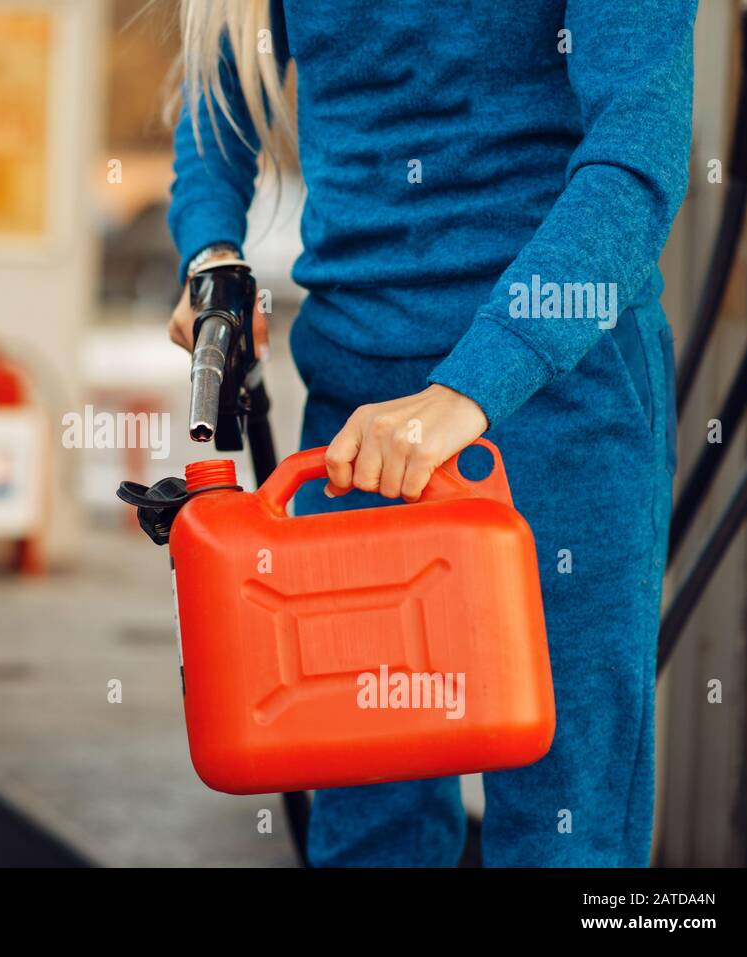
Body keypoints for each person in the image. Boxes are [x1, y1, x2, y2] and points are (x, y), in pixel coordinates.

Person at [165, 0, 694, 866]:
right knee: (370, 823)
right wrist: (209, 251)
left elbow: (634, 166)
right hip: (351, 416)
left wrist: (468, 388)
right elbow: (215, 96)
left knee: (565, 829)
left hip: (562, 407)